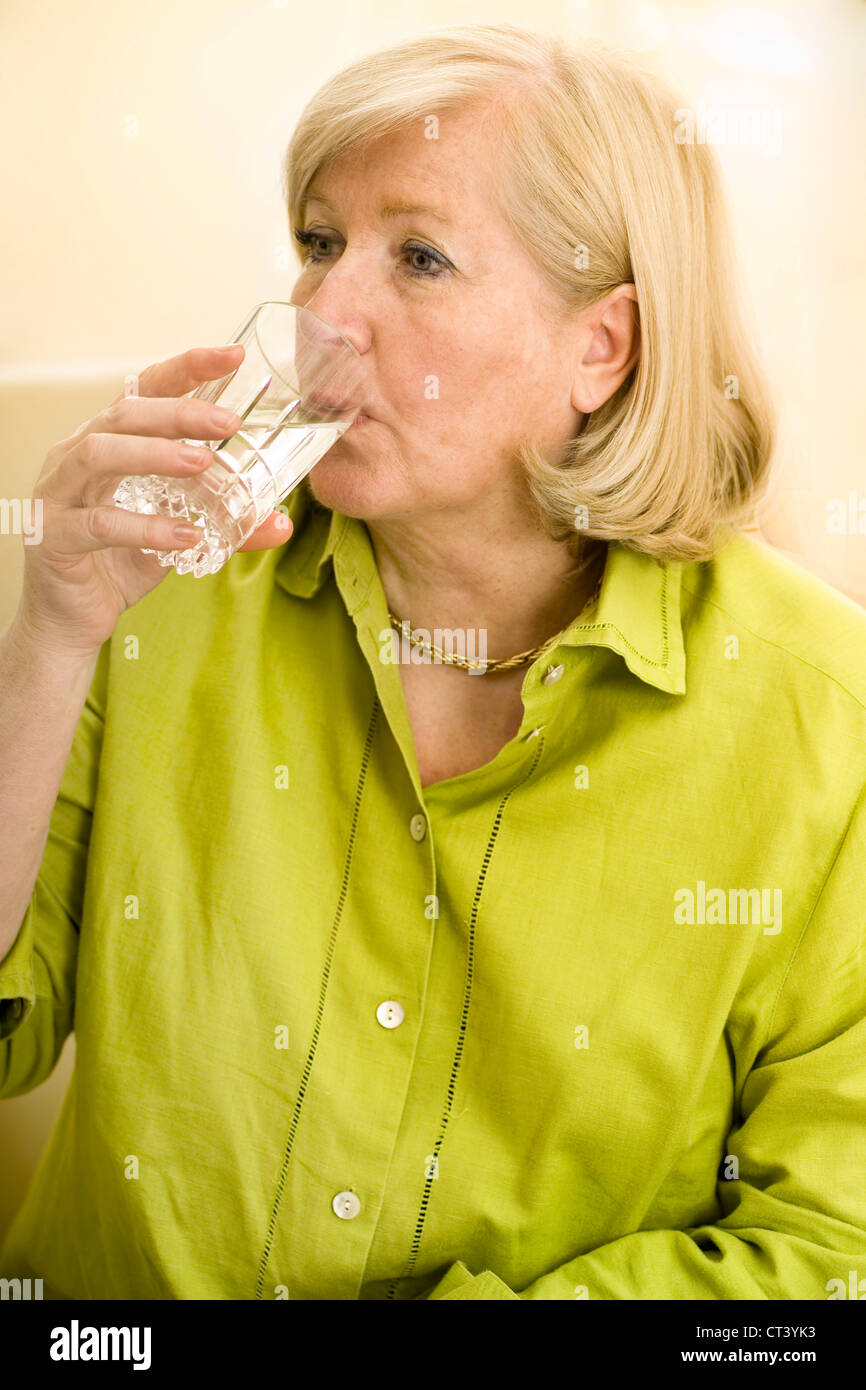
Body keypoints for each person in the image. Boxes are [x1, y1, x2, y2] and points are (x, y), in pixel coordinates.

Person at [1, 22, 864, 1301]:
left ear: (601, 348)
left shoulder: (816, 714)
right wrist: (51, 641)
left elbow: (829, 1250)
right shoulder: (172, 584)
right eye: (315, 242)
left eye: (418, 256)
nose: (322, 311)